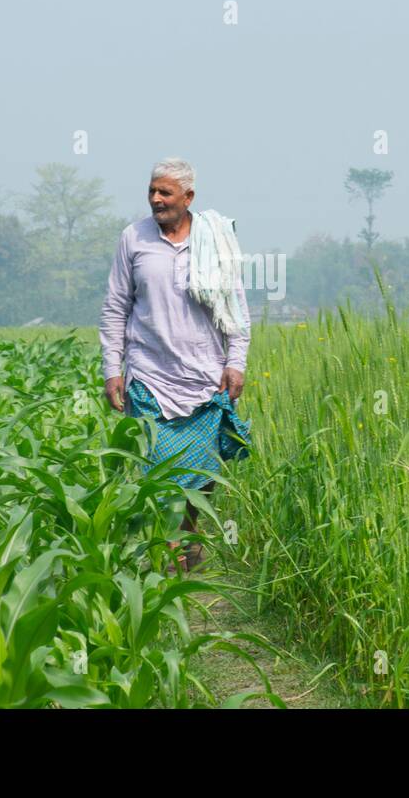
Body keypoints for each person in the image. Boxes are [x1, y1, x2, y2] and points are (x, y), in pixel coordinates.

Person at [99, 157, 251, 572]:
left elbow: (235, 309)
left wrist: (235, 363)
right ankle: (170, 552)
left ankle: (188, 540)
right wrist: (112, 369)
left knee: (197, 474)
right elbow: (115, 307)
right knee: (159, 472)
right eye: (152, 191)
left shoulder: (214, 240)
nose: (155, 199)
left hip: (203, 377)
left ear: (188, 197)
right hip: (149, 375)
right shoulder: (134, 239)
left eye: (165, 192)